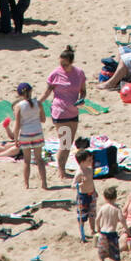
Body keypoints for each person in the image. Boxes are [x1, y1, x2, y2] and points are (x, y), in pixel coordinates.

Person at [39, 45, 86, 182]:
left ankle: (62, 169)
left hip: (73, 111)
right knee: (64, 143)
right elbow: (47, 92)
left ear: (71, 62)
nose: (62, 66)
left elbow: (83, 90)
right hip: (60, 112)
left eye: (65, 64)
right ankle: (61, 172)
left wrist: (82, 99)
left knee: (68, 143)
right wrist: (38, 102)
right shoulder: (55, 74)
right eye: (61, 63)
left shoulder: (79, 73)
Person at [13, 82, 47, 189]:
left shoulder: (18, 106)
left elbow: (17, 125)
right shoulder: (38, 103)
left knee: (27, 161)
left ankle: (26, 184)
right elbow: (43, 120)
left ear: (19, 94)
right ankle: (44, 183)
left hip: (25, 134)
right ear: (31, 91)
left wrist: (15, 138)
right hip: (37, 133)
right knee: (40, 160)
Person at [96, 185, 126, 261]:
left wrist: (98, 227)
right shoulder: (117, 209)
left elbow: (97, 219)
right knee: (114, 249)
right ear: (115, 198)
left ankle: (102, 260)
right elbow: (122, 219)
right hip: (112, 232)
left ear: (105, 198)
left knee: (102, 248)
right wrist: (126, 228)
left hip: (103, 232)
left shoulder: (103, 208)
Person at [73, 148, 97, 238]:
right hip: (82, 196)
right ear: (82, 162)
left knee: (92, 214)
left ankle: (92, 230)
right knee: (82, 216)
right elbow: (73, 185)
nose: (91, 161)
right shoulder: (79, 173)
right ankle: (82, 233)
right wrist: (80, 184)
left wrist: (95, 190)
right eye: (89, 160)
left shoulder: (90, 170)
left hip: (92, 193)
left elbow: (91, 181)